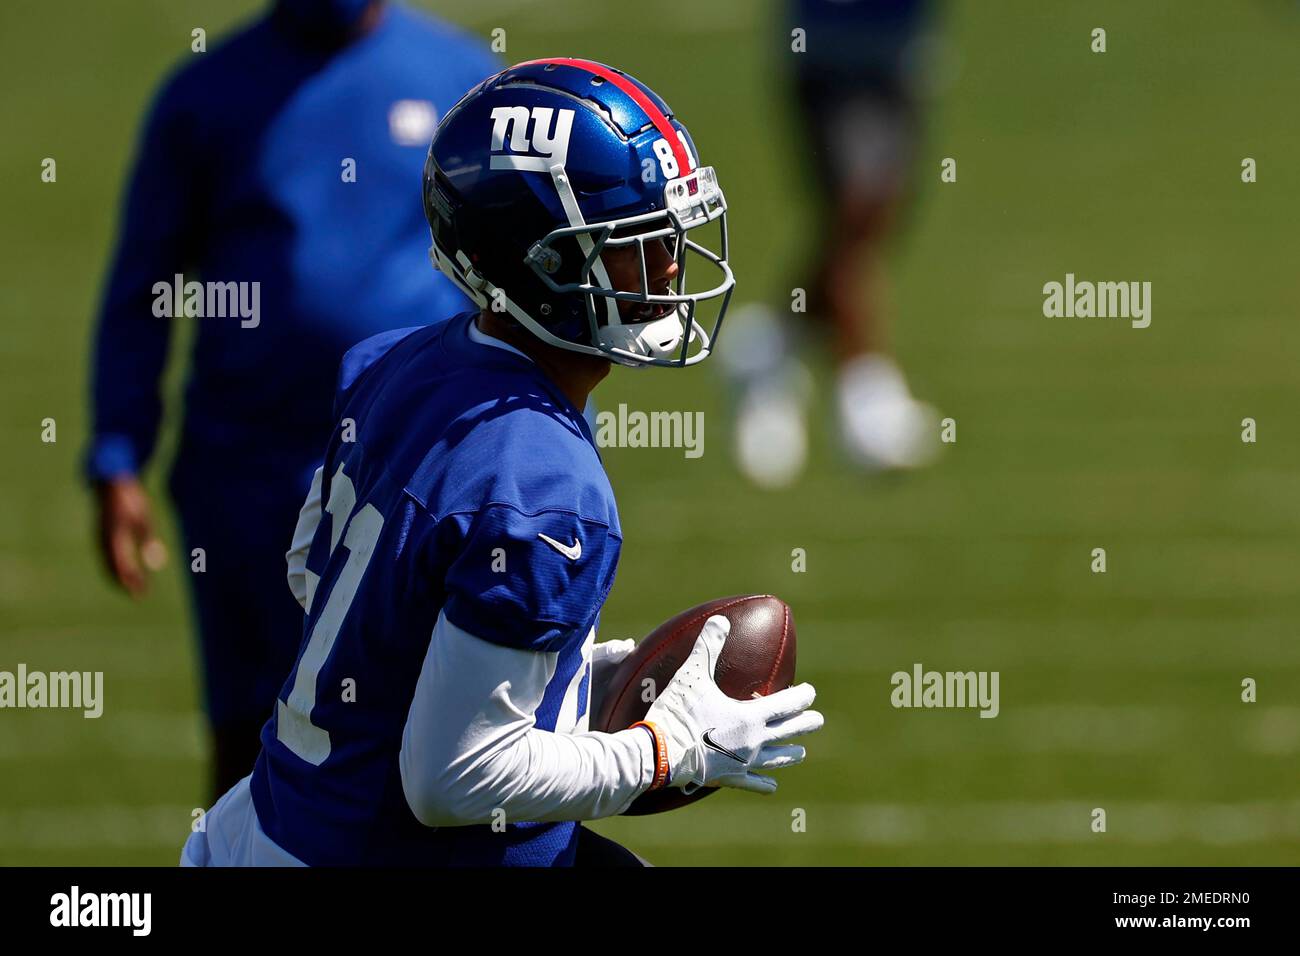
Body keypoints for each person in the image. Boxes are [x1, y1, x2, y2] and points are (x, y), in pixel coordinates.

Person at [180, 58, 824, 867]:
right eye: (636, 241)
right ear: (543, 268)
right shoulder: (542, 483)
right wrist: (662, 752)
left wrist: (560, 671)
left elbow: (323, 579)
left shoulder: (394, 364)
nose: (670, 267)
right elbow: (454, 778)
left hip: (272, 823)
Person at [85, 0, 498, 798]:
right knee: (252, 745)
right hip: (246, 474)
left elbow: (514, 271)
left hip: (417, 470)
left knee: (421, 741)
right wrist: (117, 451)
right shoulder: (205, 94)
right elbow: (145, 286)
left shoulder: (464, 81)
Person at [721, 0, 941, 487]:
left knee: (874, 219)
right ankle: (865, 392)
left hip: (901, 58)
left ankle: (769, 342)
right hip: (824, 55)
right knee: (856, 205)